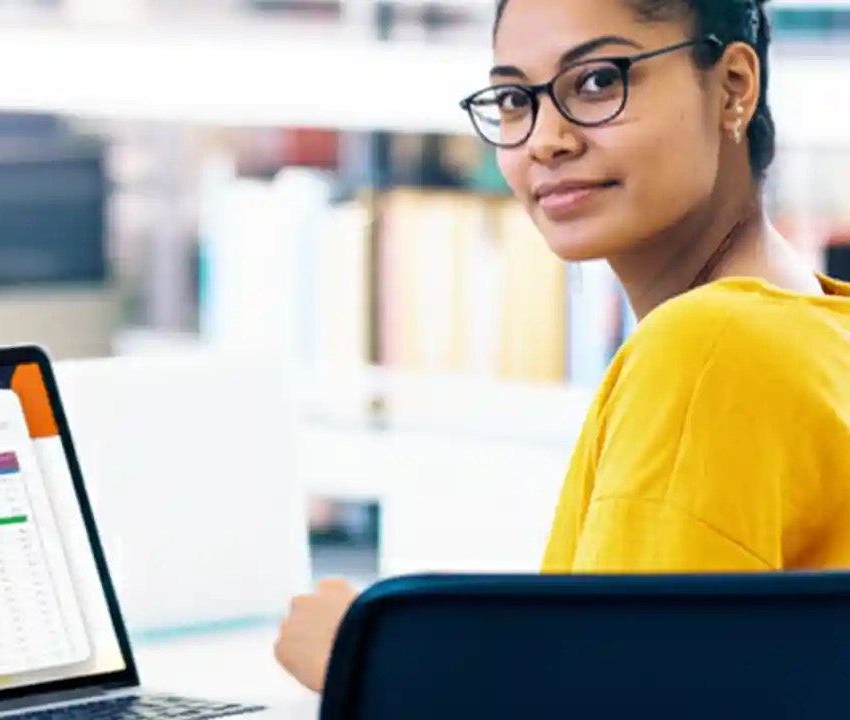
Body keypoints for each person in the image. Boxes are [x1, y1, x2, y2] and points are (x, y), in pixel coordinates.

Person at [274, 0, 850, 693]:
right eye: (516, 99)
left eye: (600, 81)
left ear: (732, 86)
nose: (545, 139)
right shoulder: (817, 329)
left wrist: (371, 660)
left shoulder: (706, 349)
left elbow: (618, 704)